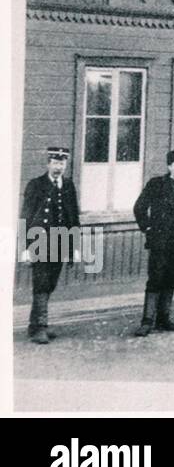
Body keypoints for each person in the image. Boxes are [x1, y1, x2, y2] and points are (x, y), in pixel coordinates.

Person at [132, 150, 174, 337]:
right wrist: (147, 228)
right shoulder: (156, 184)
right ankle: (147, 321)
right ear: (169, 167)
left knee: (172, 279)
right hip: (159, 242)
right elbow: (139, 207)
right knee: (155, 279)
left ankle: (164, 318)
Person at [20, 147, 81, 344]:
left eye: (62, 163)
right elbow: (25, 217)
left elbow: (74, 218)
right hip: (39, 242)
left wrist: (75, 247)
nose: (58, 167)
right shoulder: (36, 185)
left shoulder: (69, 186)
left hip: (61, 242)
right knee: (41, 284)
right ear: (48, 164)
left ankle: (34, 325)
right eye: (55, 163)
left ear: (66, 165)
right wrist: (25, 248)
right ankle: (41, 327)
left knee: (50, 284)